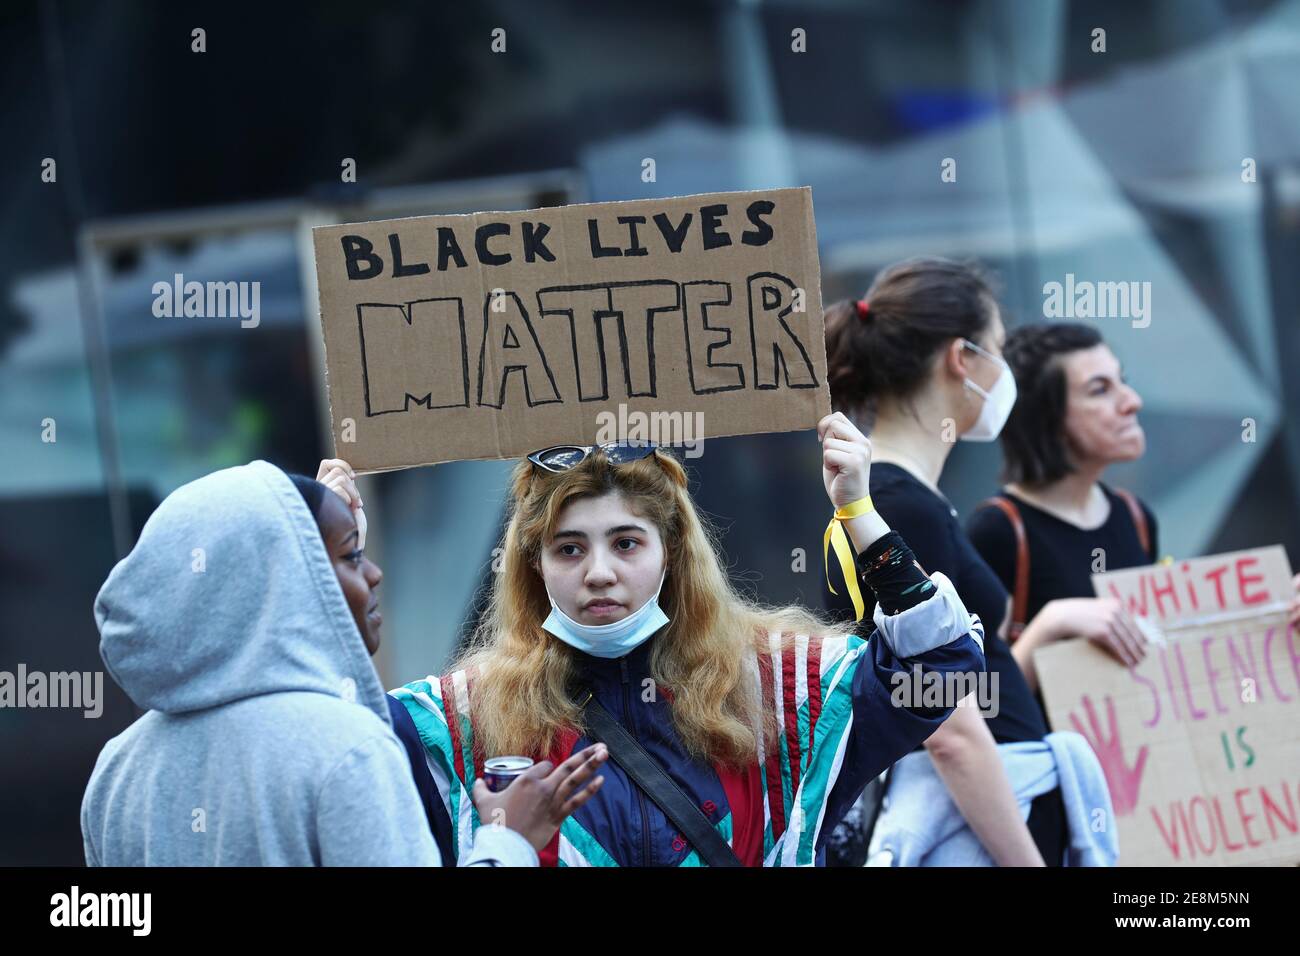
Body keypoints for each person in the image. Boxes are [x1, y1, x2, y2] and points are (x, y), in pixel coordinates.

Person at [322, 412, 987, 866]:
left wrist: (858, 512)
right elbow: (324, 753)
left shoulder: (784, 683)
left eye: (626, 542)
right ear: (533, 567)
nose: (599, 572)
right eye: (569, 548)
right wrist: (332, 565)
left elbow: (947, 667)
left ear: (672, 554)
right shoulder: (462, 720)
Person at [81, 460, 605, 866]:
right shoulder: (346, 748)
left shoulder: (117, 769)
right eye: (352, 554)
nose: (373, 573)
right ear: (288, 580)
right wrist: (508, 839)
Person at [821, 257, 1112, 867]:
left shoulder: (911, 501)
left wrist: (1052, 624)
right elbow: (949, 727)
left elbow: (977, 683)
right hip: (975, 834)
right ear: (963, 359)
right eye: (999, 351)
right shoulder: (898, 507)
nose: (1006, 373)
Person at [966, 321, 1300, 693]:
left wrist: (1279, 610)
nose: (1132, 402)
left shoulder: (1134, 515)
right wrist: (1052, 625)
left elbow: (1168, 650)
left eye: (1122, 381)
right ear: (1048, 418)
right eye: (1100, 390)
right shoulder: (998, 531)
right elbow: (980, 697)